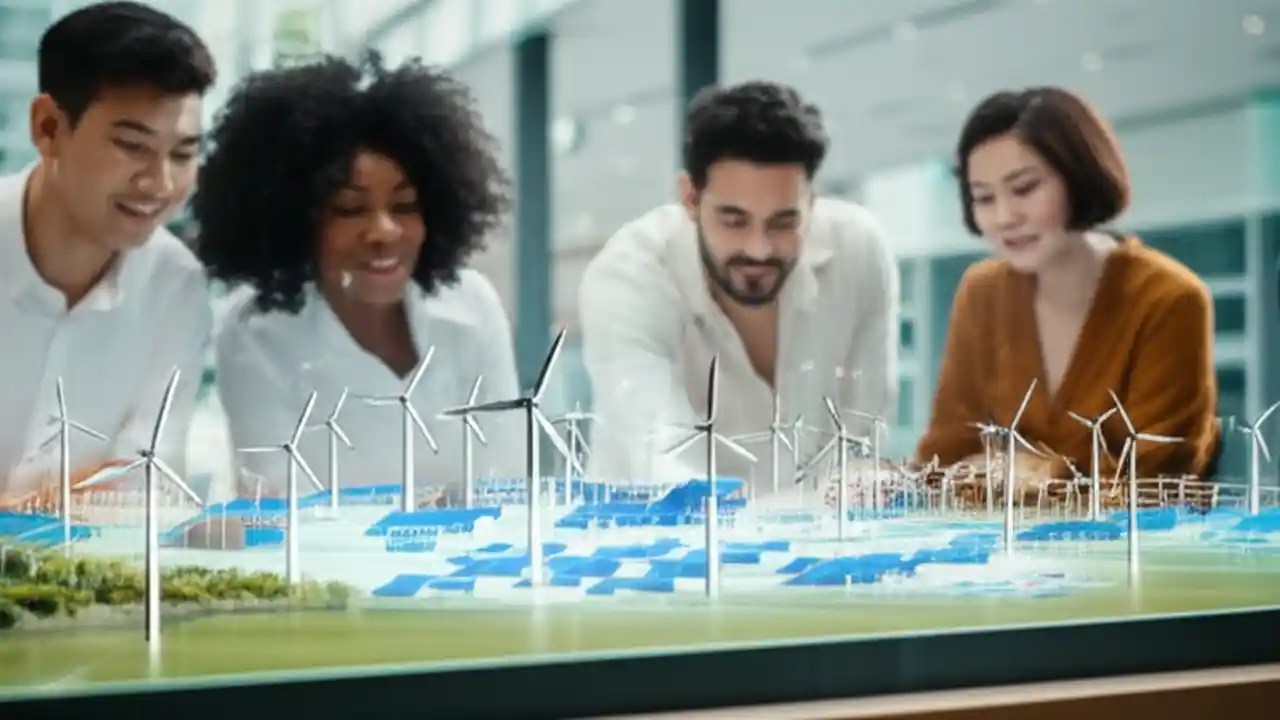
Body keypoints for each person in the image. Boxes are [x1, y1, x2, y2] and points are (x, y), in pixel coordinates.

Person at [194, 52, 520, 505]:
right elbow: (275, 504)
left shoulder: (471, 304)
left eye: (405, 207)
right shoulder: (255, 334)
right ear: (296, 219)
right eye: (350, 210)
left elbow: (507, 482)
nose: (384, 232)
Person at [578, 81, 900, 497]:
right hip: (657, 547)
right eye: (734, 220)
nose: (759, 248)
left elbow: (860, 444)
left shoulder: (859, 252)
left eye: (784, 222)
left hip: (813, 547)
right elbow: (662, 462)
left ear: (812, 202)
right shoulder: (628, 276)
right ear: (690, 198)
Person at [916, 87, 1220, 493]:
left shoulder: (1170, 298)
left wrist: (1039, 473)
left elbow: (1158, 480)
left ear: (1078, 176)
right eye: (984, 198)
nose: (1005, 216)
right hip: (1002, 547)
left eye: (1024, 189)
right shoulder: (982, 291)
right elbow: (946, 457)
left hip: (1132, 550)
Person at [0, 2, 216, 506]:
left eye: (183, 154)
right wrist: (74, 494)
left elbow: (140, 489)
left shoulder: (175, 285)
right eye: (132, 146)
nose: (159, 184)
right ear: (49, 127)